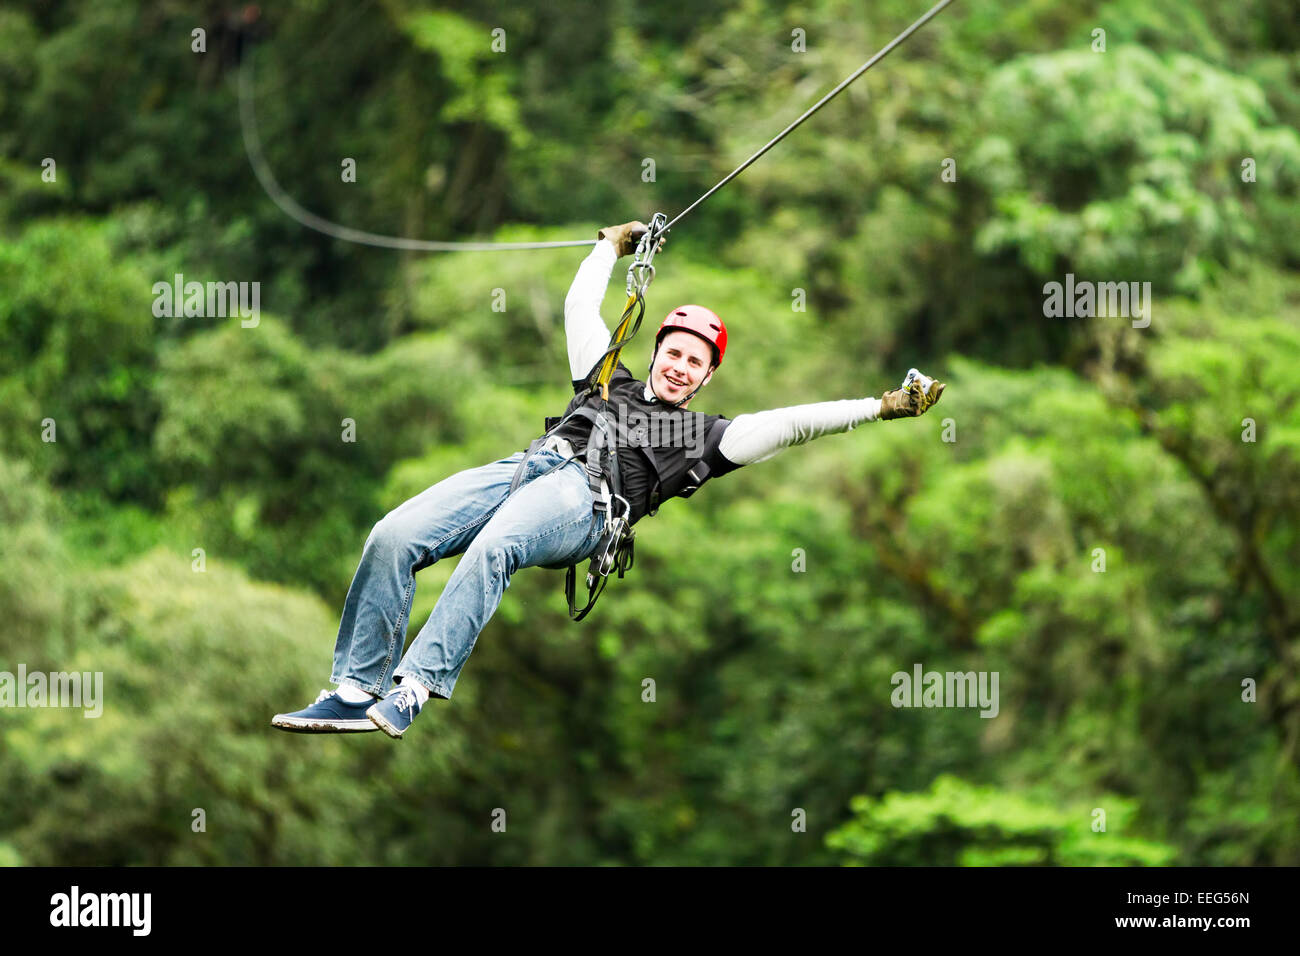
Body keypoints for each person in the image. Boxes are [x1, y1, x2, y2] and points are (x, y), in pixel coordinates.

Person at [272, 220, 945, 739]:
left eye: (696, 363)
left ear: (708, 378)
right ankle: (356, 690)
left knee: (495, 547)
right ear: (657, 354)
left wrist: (881, 406)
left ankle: (414, 686)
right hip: (527, 468)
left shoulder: (705, 438)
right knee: (395, 534)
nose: (682, 367)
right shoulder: (605, 378)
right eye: (675, 354)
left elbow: (796, 422)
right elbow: (578, 308)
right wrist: (608, 247)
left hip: (586, 504)